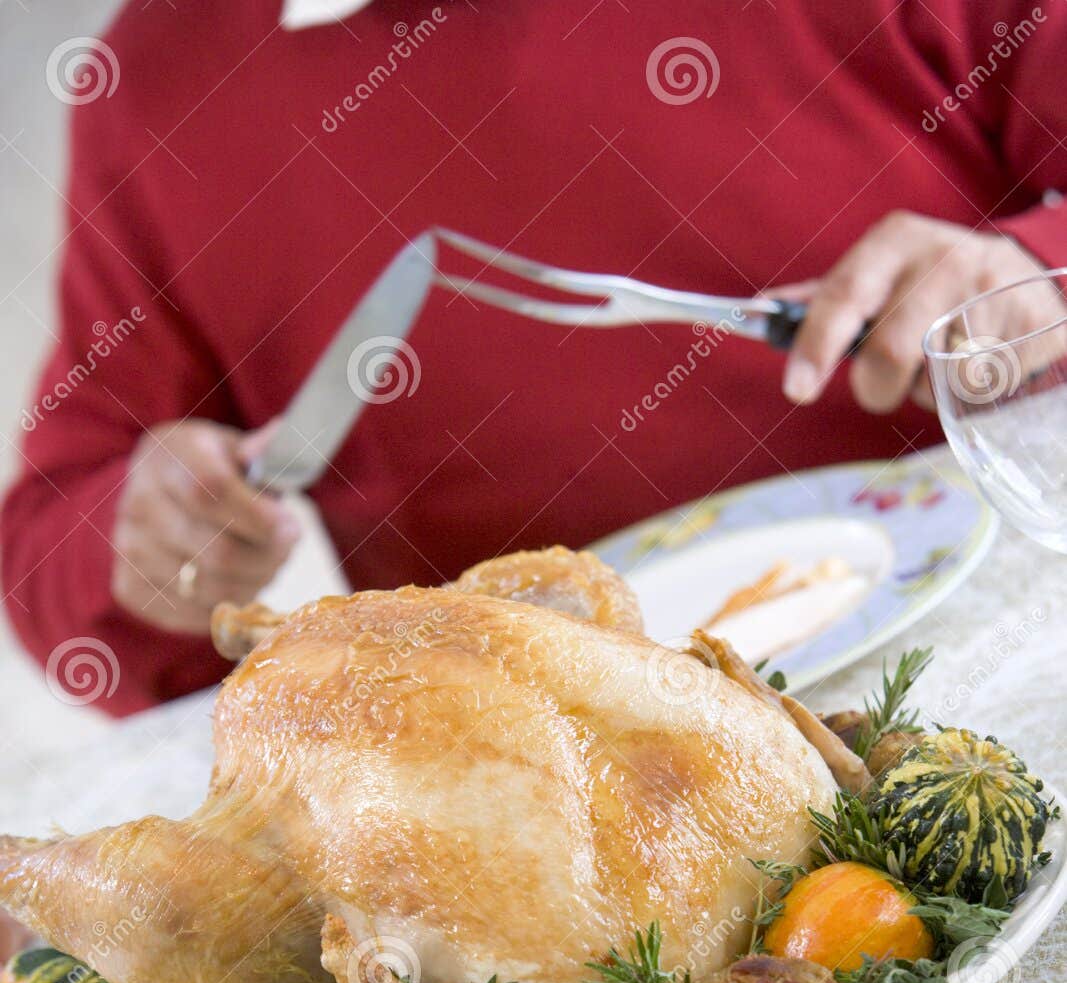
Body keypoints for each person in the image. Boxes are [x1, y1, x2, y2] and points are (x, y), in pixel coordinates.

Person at [3, 0, 1065, 715]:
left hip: (1013, 641)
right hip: (569, 778)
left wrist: (1024, 275)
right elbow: (51, 540)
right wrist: (141, 535)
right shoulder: (152, 80)